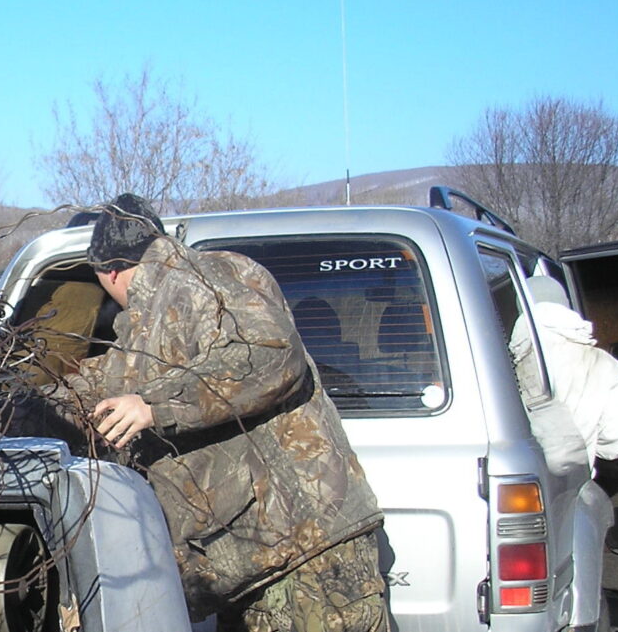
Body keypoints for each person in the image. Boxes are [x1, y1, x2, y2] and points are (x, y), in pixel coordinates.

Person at [73, 193, 388, 632]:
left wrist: (156, 406)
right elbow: (94, 388)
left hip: (308, 553)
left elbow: (272, 355)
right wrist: (7, 398)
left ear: (109, 271)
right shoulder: (141, 328)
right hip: (251, 567)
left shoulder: (208, 274)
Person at [516, 275, 618, 472]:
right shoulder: (600, 363)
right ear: (566, 306)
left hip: (511, 477)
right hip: (569, 483)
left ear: (521, 307)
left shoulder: (499, 359)